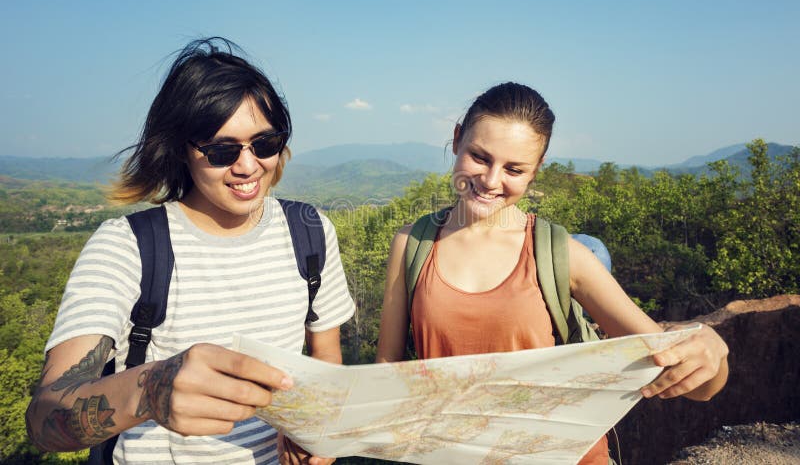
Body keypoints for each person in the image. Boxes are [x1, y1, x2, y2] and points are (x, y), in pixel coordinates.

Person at [25, 38, 355, 465]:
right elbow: (45, 418)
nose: (248, 165)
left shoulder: (308, 230)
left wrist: (317, 429)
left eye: (265, 143)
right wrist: (151, 390)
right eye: (222, 150)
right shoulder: (128, 247)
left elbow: (326, 356)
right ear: (182, 148)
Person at [376, 82, 729, 464]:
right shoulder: (413, 244)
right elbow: (388, 371)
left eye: (514, 169)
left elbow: (695, 381)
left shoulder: (561, 255)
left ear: (536, 170)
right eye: (480, 157)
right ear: (457, 138)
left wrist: (712, 352)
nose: (492, 180)